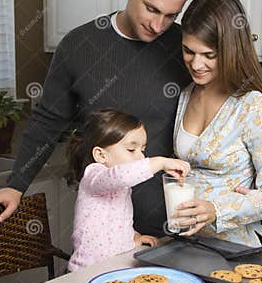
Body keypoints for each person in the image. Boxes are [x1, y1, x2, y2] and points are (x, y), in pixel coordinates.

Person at [0, 0, 196, 237]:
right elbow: (47, 121)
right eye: (151, 9)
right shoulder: (79, 46)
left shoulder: (184, 49)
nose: (158, 25)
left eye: (170, 16)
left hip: (170, 220)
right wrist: (17, 184)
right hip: (102, 222)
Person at [171, 0, 262, 247]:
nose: (196, 64)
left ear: (230, 50)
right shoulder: (186, 94)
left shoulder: (254, 107)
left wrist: (217, 209)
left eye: (209, 55)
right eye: (188, 51)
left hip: (236, 249)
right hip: (185, 244)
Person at [67, 108, 190, 271]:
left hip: (115, 267)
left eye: (143, 150)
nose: (141, 157)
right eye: (132, 150)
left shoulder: (121, 187)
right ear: (101, 155)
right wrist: (159, 162)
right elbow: (121, 175)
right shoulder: (94, 177)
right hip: (87, 270)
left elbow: (117, 221)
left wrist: (134, 237)